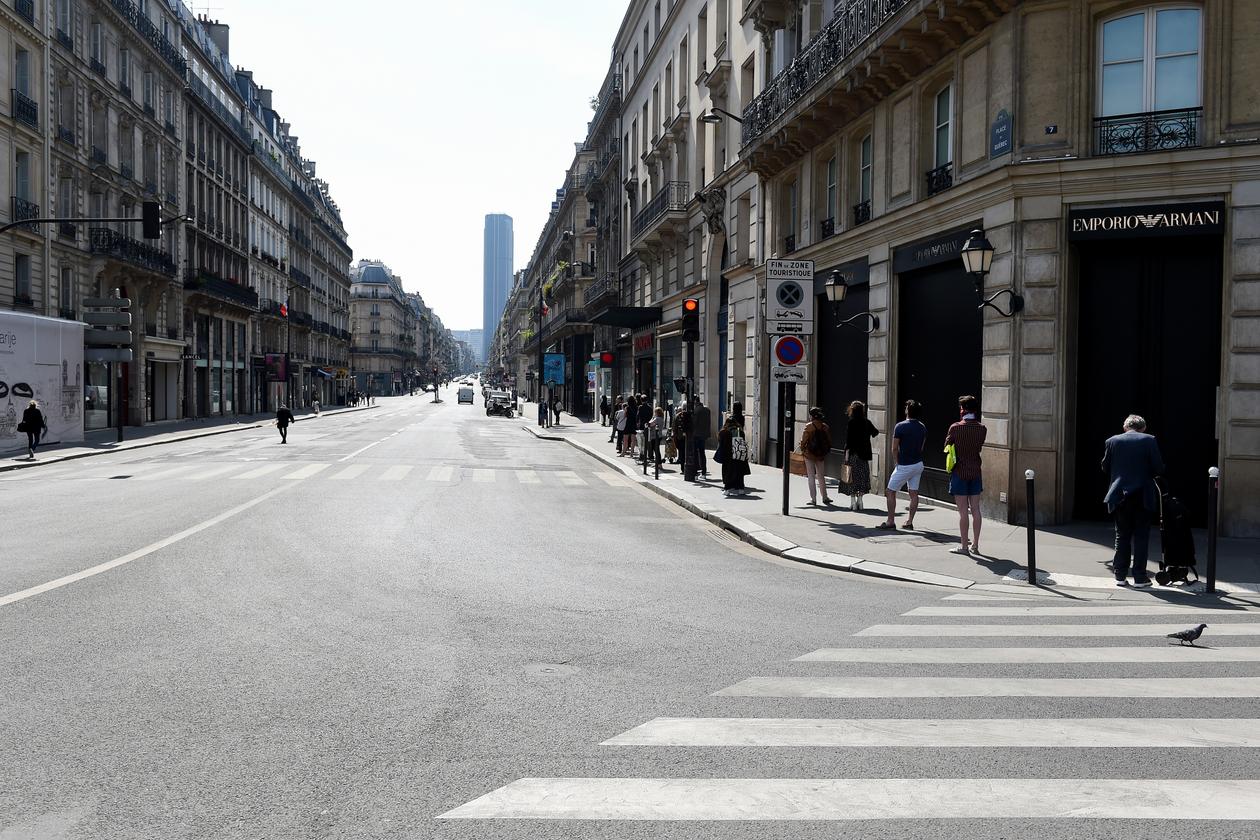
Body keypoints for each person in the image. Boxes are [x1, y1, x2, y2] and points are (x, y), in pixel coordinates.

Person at [1102, 414, 1166, 588]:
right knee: (1141, 537)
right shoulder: (1149, 440)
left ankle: (1120, 575)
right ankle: (1139, 577)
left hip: (1120, 494)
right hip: (1142, 494)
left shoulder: (1112, 441)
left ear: (1125, 427)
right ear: (1143, 427)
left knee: (1121, 536)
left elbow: (1105, 466)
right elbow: (1159, 467)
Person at [945, 394, 988, 555]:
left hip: (959, 472)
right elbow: (979, 445)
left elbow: (946, 445)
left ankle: (964, 546)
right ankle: (975, 545)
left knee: (963, 512)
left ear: (962, 409)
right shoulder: (982, 428)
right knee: (976, 509)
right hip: (975, 471)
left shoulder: (955, 427)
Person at [880, 399, 927, 530]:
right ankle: (909, 521)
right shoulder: (922, 427)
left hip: (905, 465)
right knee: (913, 493)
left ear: (908, 410)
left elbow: (894, 448)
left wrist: (897, 462)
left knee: (890, 491)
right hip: (918, 464)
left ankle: (890, 521)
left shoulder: (900, 426)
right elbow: (921, 447)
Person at [838, 400, 878, 510]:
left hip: (853, 454)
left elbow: (848, 441)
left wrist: (846, 454)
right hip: (863, 455)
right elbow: (875, 433)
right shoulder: (867, 422)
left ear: (852, 410)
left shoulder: (851, 422)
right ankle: (860, 501)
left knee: (851, 477)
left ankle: (853, 502)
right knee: (862, 477)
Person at [799, 407, 833, 505]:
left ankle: (813, 499)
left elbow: (803, 440)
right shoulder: (825, 426)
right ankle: (825, 497)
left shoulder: (809, 426)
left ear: (811, 416)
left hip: (809, 454)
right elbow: (829, 441)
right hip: (820, 455)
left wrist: (802, 448)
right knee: (821, 476)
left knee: (811, 476)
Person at [717, 415, 751, 497]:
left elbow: (721, 444)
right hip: (739, 454)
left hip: (728, 456)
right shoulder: (740, 431)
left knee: (727, 473)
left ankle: (727, 489)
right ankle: (741, 489)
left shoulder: (724, 432)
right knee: (739, 472)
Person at [692, 398, 711, 477]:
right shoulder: (707, 410)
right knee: (702, 453)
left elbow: (694, 423)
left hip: (696, 434)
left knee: (695, 454)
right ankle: (704, 472)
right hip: (704, 435)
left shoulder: (696, 411)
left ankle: (696, 472)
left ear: (695, 403)